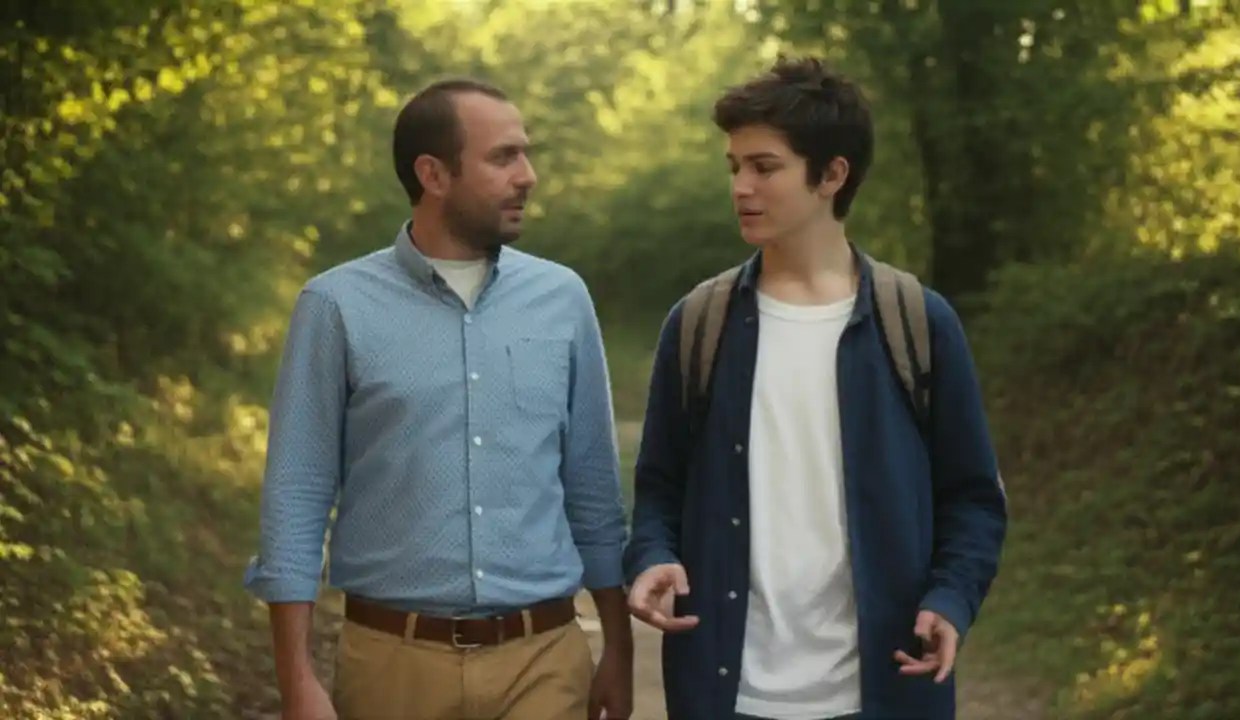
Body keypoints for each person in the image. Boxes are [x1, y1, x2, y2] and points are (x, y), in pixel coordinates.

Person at [623, 57, 1008, 720]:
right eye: (734, 167)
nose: (741, 186)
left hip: (884, 693)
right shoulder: (700, 323)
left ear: (832, 174)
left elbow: (973, 499)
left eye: (764, 167)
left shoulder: (915, 322)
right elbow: (660, 486)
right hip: (725, 694)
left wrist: (951, 599)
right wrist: (653, 557)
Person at [244, 77, 633, 720]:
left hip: (543, 661)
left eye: (525, 154)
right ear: (434, 173)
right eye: (503, 157)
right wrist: (298, 681)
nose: (528, 175)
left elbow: (592, 490)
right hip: (392, 666)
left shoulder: (564, 300)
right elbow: (297, 494)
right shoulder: (335, 306)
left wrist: (617, 649)